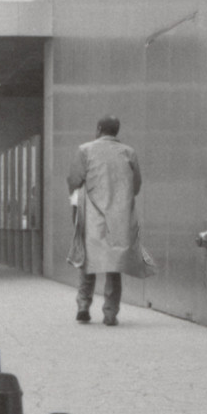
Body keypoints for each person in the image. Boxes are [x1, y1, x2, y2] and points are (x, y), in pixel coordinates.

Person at [67, 115, 152, 325]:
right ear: (116, 131)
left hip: (92, 213)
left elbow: (74, 180)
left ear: (98, 129)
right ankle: (110, 313)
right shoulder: (129, 153)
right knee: (114, 265)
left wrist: (76, 204)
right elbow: (137, 185)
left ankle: (83, 305)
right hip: (119, 216)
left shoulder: (85, 150)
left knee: (88, 260)